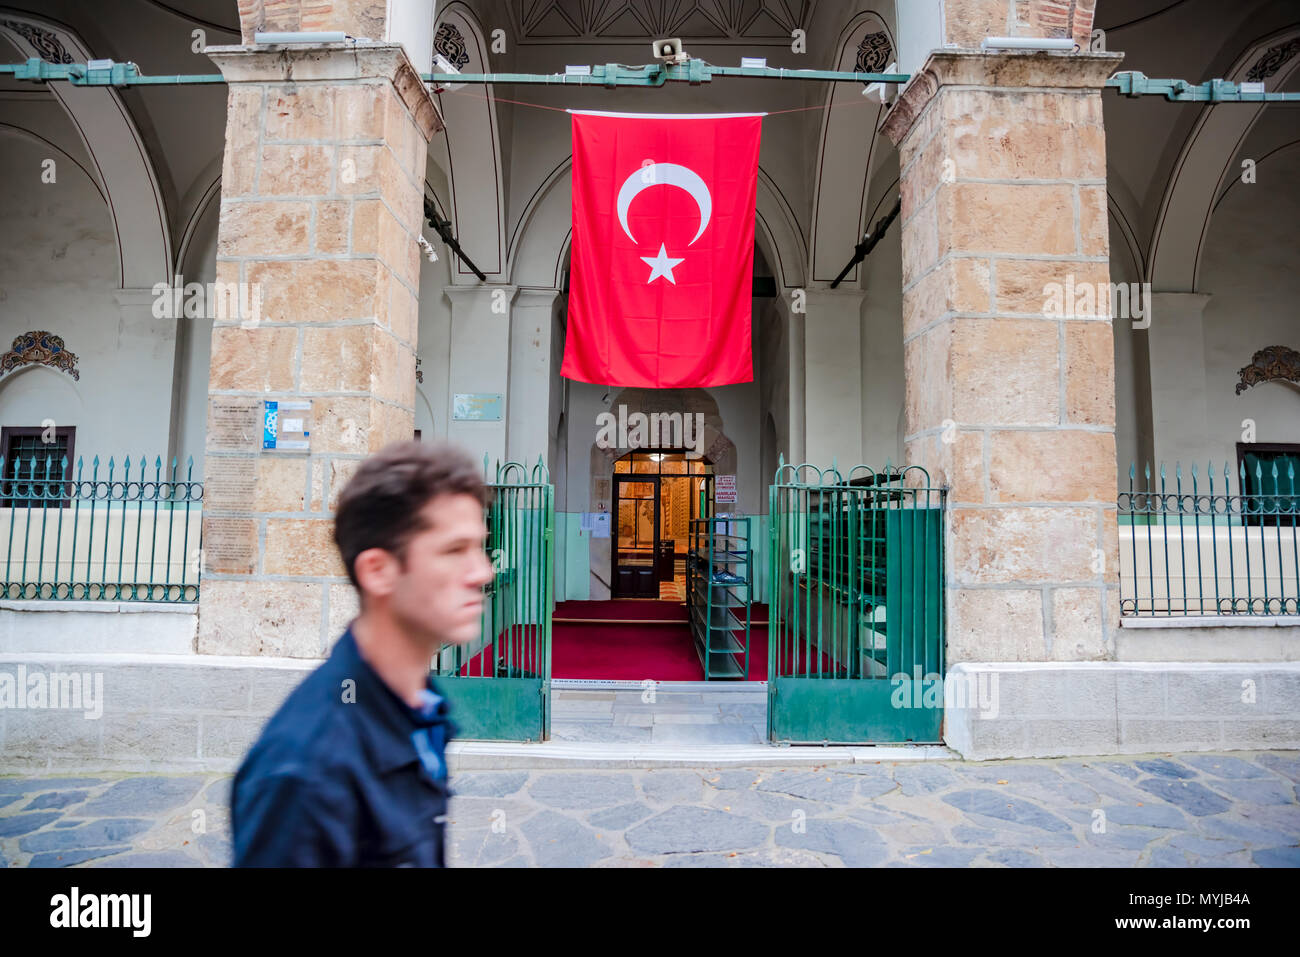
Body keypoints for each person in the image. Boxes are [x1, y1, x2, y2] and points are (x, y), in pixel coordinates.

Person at [230, 440, 494, 866]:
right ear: (378, 570)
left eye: (480, 546)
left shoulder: (418, 706)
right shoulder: (306, 772)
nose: (483, 572)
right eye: (454, 550)